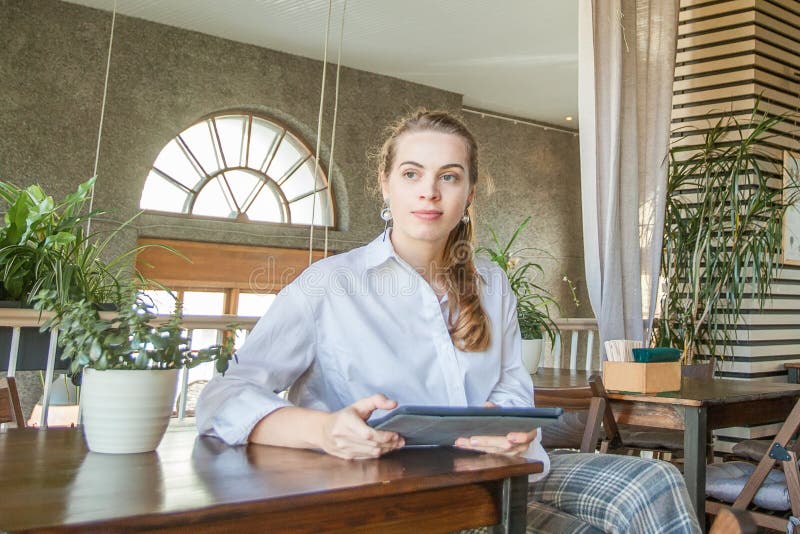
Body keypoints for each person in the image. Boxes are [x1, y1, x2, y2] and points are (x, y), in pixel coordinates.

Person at [196, 109, 700, 534]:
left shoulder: (492, 283)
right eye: (412, 174)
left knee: (655, 482)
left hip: (493, 474)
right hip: (389, 496)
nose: (430, 193)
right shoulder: (327, 285)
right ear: (385, 185)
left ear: (470, 193)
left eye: (449, 176)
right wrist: (325, 430)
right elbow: (222, 397)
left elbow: (511, 387)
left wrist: (507, 428)